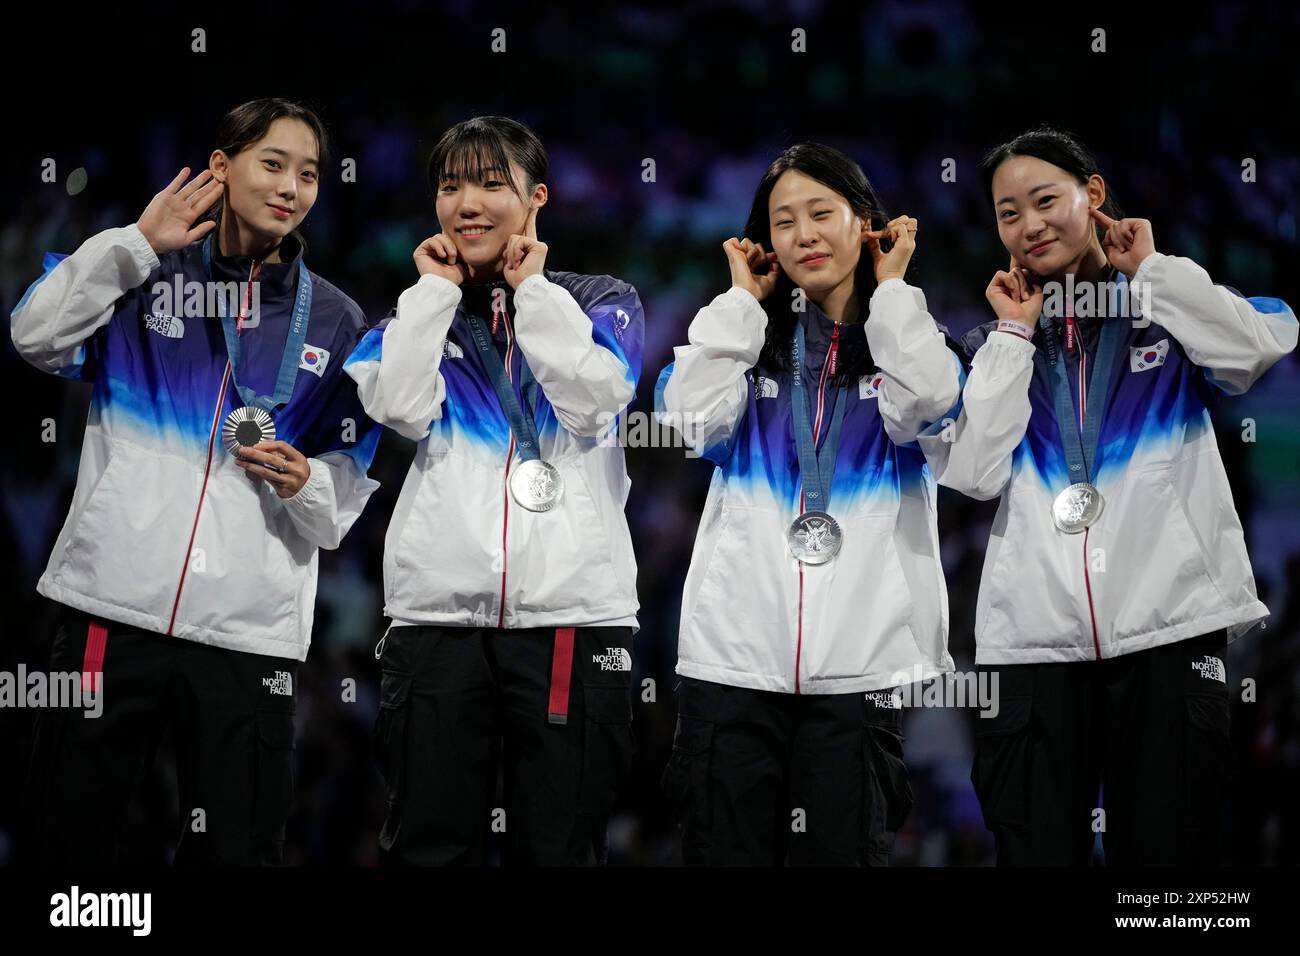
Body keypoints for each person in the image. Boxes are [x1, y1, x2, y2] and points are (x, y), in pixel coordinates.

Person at [11, 98, 382, 865]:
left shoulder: (339, 323)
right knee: (61, 839)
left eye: (308, 174)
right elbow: (34, 336)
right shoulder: (140, 275)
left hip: (247, 638)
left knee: (239, 853)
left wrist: (307, 480)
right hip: (111, 608)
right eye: (271, 164)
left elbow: (342, 500)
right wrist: (134, 246)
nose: (291, 187)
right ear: (221, 166)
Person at [921, 127, 1298, 865]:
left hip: (1168, 632)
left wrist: (1151, 268)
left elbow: (1254, 350)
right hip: (1033, 648)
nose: (1028, 226)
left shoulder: (1171, 311)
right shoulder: (992, 347)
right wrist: (1011, 335)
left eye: (1044, 201)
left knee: (1166, 876)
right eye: (1007, 214)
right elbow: (973, 473)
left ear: (1091, 195)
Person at [344, 116, 644, 866]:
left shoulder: (602, 298)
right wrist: (432, 293)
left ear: (536, 198)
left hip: (573, 618)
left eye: (489, 183)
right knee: (427, 847)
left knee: (563, 849)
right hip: (438, 621)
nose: (466, 203)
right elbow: (401, 407)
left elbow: (592, 400)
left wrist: (532, 290)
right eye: (450, 187)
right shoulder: (417, 313)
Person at [654, 143, 961, 865]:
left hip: (858, 672)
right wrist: (738, 303)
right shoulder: (743, 348)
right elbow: (689, 420)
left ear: (867, 223)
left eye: (822, 213)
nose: (804, 234)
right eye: (783, 221)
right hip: (731, 669)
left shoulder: (910, 347)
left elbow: (931, 401)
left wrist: (889, 294)